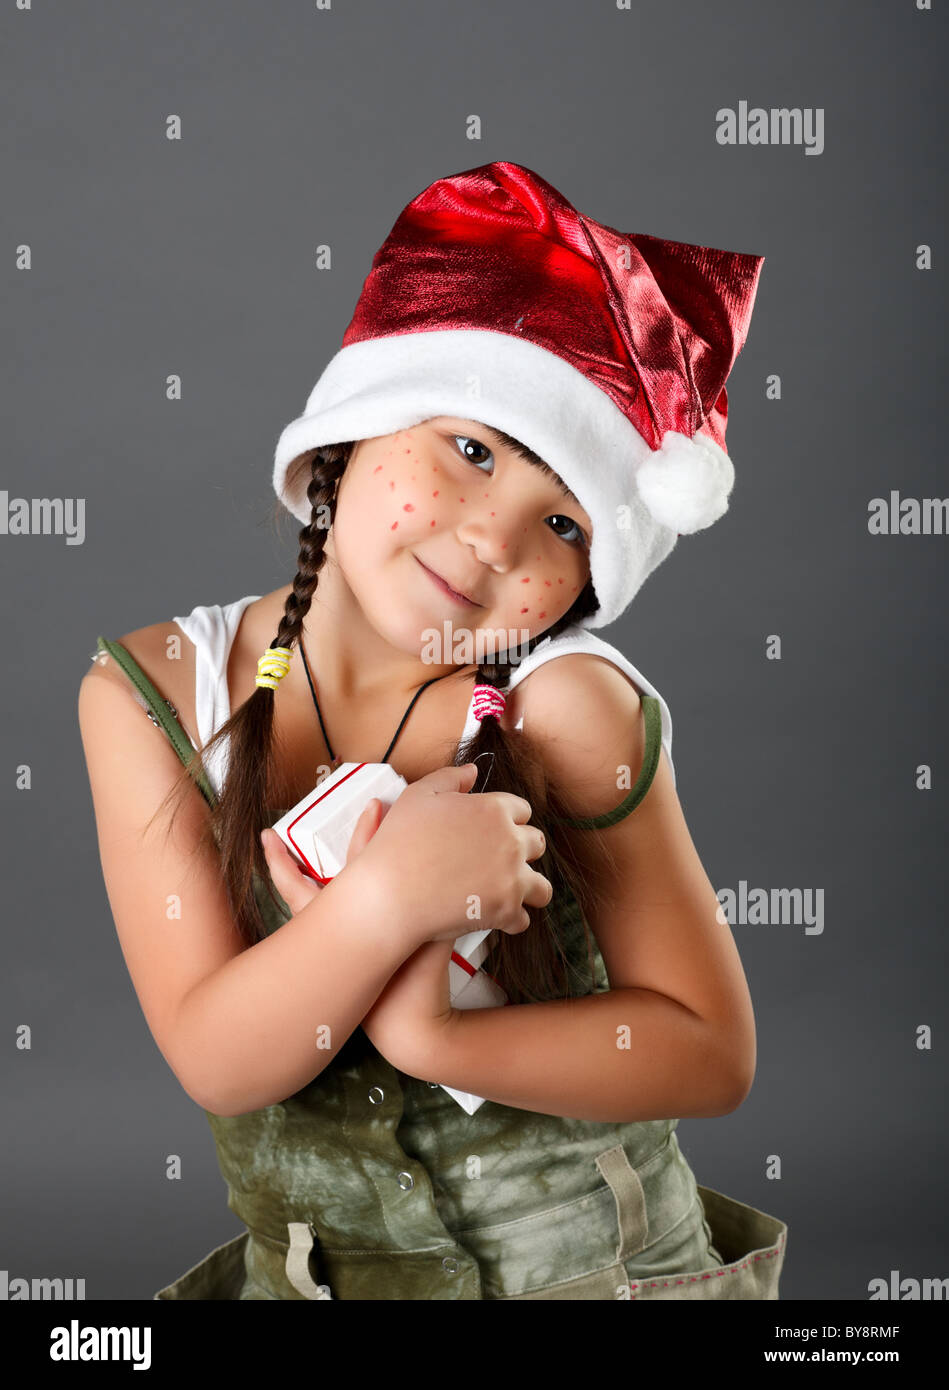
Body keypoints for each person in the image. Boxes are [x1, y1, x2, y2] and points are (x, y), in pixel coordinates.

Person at [78, 160, 788, 1300]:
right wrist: (382, 905)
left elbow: (708, 1048)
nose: (494, 540)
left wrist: (436, 1041)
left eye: (562, 520)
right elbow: (218, 1058)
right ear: (353, 430)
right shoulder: (158, 694)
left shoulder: (566, 711)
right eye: (472, 449)